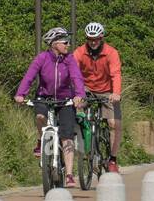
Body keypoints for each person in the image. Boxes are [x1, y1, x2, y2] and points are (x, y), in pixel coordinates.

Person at [15, 27, 86, 186]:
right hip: (44, 97)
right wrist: (21, 94)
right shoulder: (42, 58)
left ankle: (68, 174)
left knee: (66, 136)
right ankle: (41, 142)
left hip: (65, 99)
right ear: (54, 44)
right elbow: (29, 76)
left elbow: (77, 77)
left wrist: (79, 95)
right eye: (65, 42)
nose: (68, 45)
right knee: (40, 117)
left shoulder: (69, 59)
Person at [72, 22, 123, 172]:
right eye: (90, 39)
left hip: (107, 91)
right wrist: (77, 94)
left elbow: (116, 74)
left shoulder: (111, 53)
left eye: (96, 39)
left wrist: (116, 93)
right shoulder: (79, 52)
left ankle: (112, 159)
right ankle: (84, 145)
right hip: (86, 88)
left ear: (101, 38)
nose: (93, 42)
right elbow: (73, 72)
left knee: (114, 123)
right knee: (77, 109)